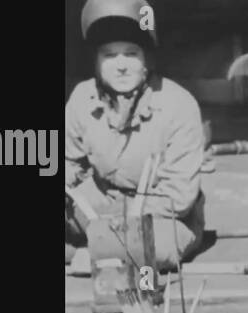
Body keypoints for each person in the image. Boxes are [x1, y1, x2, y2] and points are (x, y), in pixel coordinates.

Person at [65, 0, 206, 271]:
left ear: (147, 60)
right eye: (109, 55)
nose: (121, 65)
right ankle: (102, 253)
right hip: (99, 205)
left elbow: (179, 196)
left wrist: (114, 227)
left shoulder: (179, 104)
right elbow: (70, 164)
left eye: (131, 54)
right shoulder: (82, 97)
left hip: (163, 218)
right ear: (96, 61)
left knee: (155, 249)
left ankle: (93, 254)